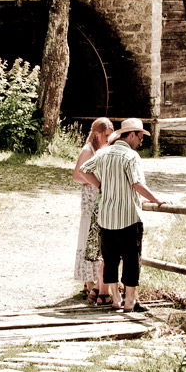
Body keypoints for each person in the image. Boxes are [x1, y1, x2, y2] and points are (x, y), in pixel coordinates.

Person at [80, 118, 167, 313]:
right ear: (131, 134)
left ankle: (116, 298)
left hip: (106, 216)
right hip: (128, 217)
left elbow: (84, 170)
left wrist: (100, 185)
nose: (141, 141)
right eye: (140, 136)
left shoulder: (103, 153)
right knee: (131, 259)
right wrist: (156, 199)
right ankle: (129, 300)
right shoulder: (131, 156)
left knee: (110, 259)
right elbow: (136, 183)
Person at [72, 117, 113, 304]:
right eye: (106, 134)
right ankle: (89, 280)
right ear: (97, 133)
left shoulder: (102, 149)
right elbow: (77, 175)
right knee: (89, 236)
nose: (108, 137)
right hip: (90, 198)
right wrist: (98, 184)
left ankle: (95, 281)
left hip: (99, 199)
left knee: (97, 238)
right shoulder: (88, 149)